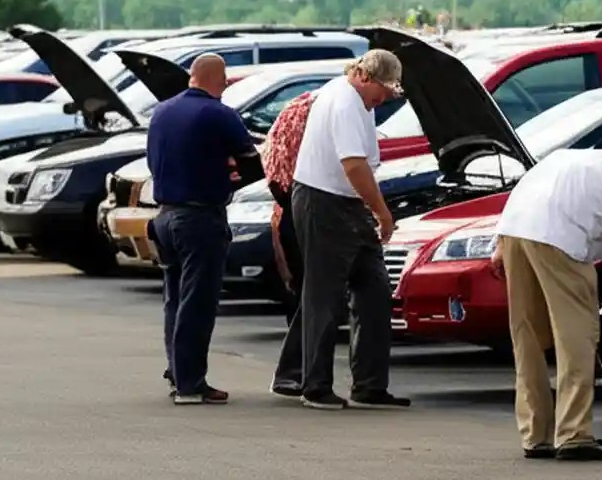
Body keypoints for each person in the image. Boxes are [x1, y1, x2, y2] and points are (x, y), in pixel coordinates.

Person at [490, 146, 602, 461]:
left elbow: (524, 191)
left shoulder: (566, 156)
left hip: (515, 233)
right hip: (561, 242)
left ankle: (536, 434)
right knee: (577, 337)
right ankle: (573, 434)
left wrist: (501, 244)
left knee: (526, 336)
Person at [283, 49, 412, 411]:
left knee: (374, 291)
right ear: (365, 77)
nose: (385, 98)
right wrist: (382, 212)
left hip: (345, 202)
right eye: (384, 90)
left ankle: (369, 384)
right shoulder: (343, 101)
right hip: (324, 202)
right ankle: (314, 384)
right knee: (325, 296)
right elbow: (354, 165)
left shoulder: (358, 101)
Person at [148, 54, 262, 405]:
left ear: (191, 77)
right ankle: (190, 383)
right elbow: (252, 165)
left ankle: (177, 370)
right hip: (199, 218)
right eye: (224, 79)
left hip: (164, 216)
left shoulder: (161, 112)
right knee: (198, 302)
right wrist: (228, 175)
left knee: (175, 299)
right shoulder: (219, 114)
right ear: (221, 80)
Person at [260, 90, 318, 397]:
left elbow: (272, 167)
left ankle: (299, 372)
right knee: (314, 295)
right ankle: (295, 372)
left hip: (284, 212)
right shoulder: (317, 115)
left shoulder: (292, 111)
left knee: (299, 292)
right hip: (305, 212)